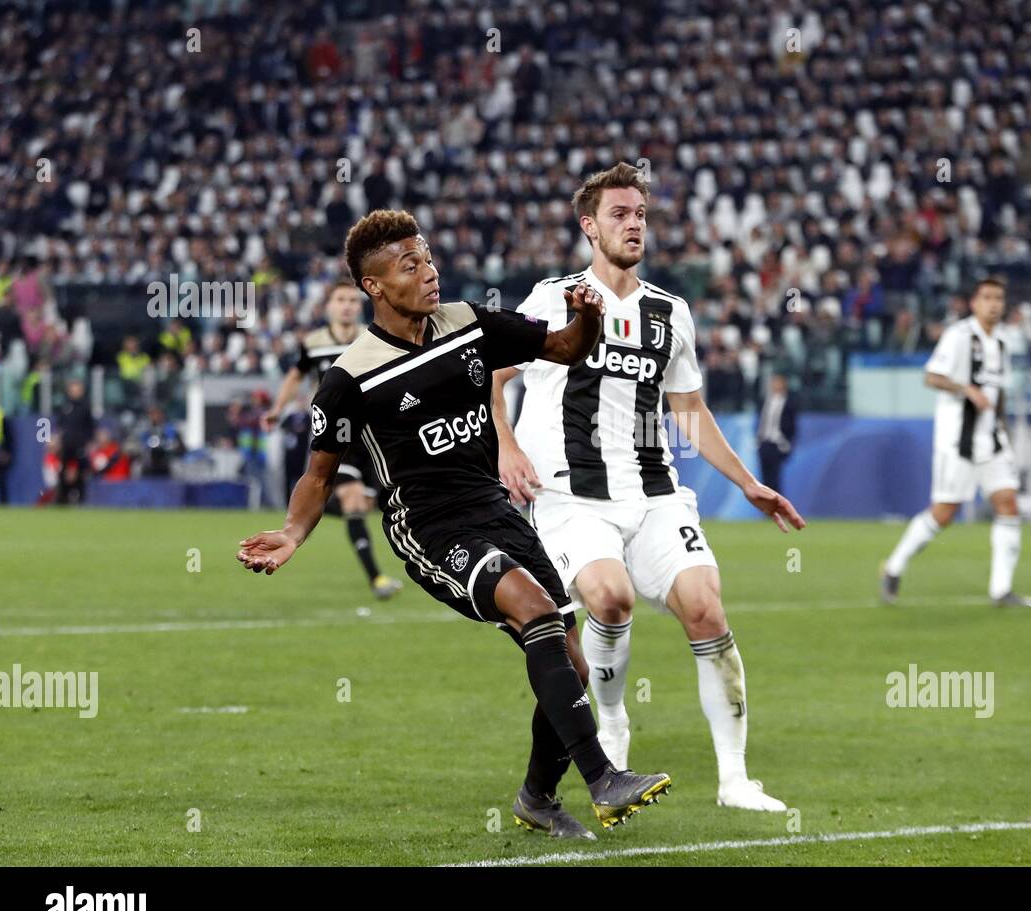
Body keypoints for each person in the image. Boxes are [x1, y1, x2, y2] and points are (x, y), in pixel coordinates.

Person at [238, 210, 670, 838]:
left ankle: (537, 800)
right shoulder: (348, 377)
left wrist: (588, 319)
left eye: (429, 258)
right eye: (409, 266)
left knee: (571, 667)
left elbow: (564, 348)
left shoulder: (469, 323)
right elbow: (319, 473)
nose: (429, 272)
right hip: (428, 526)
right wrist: (292, 532)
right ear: (375, 286)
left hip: (495, 509)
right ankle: (604, 777)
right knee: (538, 613)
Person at [492, 163, 805, 812]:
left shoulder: (670, 313)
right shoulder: (552, 299)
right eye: (619, 214)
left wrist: (749, 483)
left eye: (641, 214)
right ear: (589, 226)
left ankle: (734, 780)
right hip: (570, 496)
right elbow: (495, 374)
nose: (634, 224)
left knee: (706, 608)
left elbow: (689, 410)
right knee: (608, 598)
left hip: (655, 492)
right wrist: (506, 444)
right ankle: (611, 720)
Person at [881, 278, 1031, 607]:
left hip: (991, 438)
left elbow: (999, 393)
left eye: (999, 298)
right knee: (944, 512)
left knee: (1008, 502)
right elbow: (931, 376)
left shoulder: (1003, 342)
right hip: (957, 440)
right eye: (987, 298)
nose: (994, 304)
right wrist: (966, 389)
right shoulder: (959, 336)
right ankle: (894, 567)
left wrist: (1003, 430)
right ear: (974, 303)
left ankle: (1001, 590)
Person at [263, 279, 402, 600]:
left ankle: (316, 509)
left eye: (353, 300)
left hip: (377, 437)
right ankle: (377, 579)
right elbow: (297, 374)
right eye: (341, 299)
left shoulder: (376, 337)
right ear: (328, 307)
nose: (348, 305)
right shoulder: (313, 343)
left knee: (374, 504)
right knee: (354, 499)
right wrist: (277, 408)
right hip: (337, 438)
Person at [756, 372, 798, 492]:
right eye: (773, 382)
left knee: (775, 478)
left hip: (778, 444)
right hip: (764, 442)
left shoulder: (789, 403)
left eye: (778, 382)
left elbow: (792, 426)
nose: (775, 385)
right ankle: (767, 507)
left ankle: (776, 506)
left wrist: (787, 443)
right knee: (764, 479)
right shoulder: (764, 401)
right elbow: (761, 420)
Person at [56, 378, 94, 504]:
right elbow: (60, 425)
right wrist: (57, 440)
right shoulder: (65, 406)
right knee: (63, 471)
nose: (75, 392)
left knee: (80, 471)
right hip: (66, 444)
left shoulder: (85, 407)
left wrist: (89, 442)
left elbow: (90, 427)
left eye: (77, 390)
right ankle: (63, 498)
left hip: (80, 444)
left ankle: (80, 498)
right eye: (73, 390)